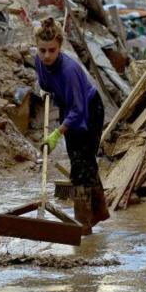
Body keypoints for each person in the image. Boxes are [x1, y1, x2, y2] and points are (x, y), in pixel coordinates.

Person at [33, 18, 110, 235]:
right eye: (42, 50)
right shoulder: (38, 61)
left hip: (89, 110)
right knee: (82, 162)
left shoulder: (70, 70)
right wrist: (45, 90)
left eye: (52, 50)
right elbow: (45, 83)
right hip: (69, 106)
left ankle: (83, 225)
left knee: (81, 166)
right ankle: (99, 212)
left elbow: (78, 110)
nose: (47, 55)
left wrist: (57, 133)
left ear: (60, 47)